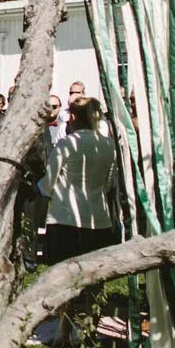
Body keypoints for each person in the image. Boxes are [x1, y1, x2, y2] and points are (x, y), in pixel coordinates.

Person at [43, 97, 117, 265]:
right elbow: (108, 183)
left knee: (61, 275)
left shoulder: (66, 144)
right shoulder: (108, 145)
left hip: (65, 219)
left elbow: (48, 183)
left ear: (73, 118)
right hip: (98, 218)